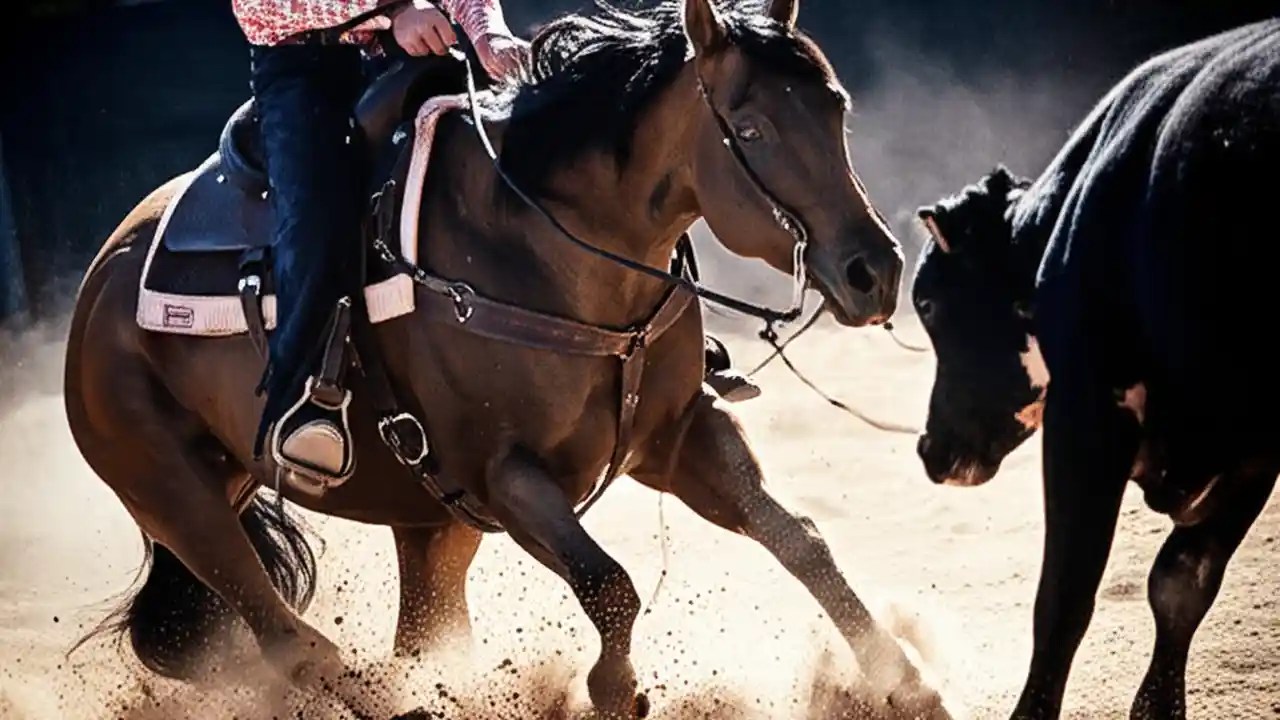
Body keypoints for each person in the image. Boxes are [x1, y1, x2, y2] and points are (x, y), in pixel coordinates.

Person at [231, 0, 758, 484]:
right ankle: (303, 399)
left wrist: (488, 34)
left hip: (407, 54)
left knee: (584, 143)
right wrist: (395, 9)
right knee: (318, 211)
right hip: (304, 71)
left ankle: (675, 340)